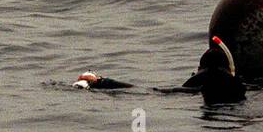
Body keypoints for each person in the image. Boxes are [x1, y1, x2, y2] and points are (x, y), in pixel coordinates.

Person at [72, 36, 246, 103]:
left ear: (200, 69)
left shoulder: (196, 84)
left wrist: (101, 82)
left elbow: (145, 91)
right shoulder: (237, 84)